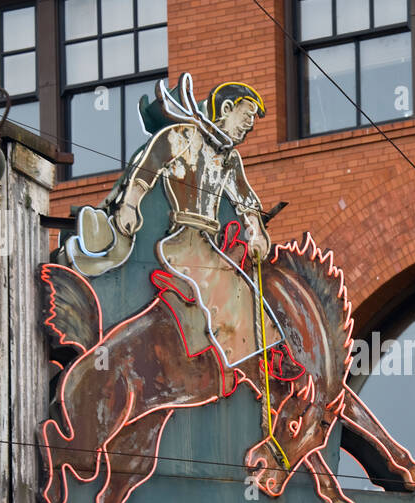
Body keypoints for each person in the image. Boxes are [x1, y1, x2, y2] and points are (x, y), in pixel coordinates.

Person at [67, 75, 286, 373]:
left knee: (242, 288)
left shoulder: (230, 158)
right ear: (225, 110)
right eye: (246, 115)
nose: (249, 124)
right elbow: (147, 167)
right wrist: (129, 204)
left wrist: (257, 232)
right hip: (184, 239)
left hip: (208, 243)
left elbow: (245, 200)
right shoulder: (182, 136)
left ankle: (252, 364)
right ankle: (230, 361)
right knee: (226, 285)